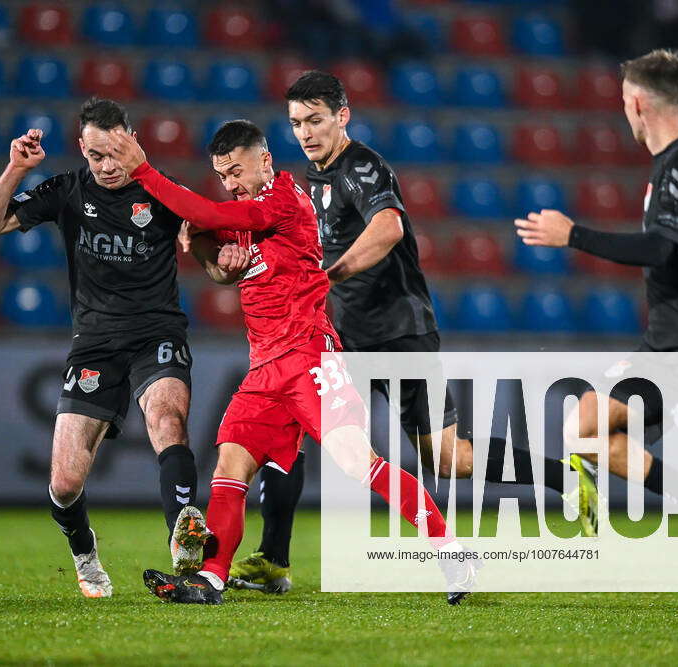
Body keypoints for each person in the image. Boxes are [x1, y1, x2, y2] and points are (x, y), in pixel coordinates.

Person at [227, 70, 576, 594]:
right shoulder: (308, 183)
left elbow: (388, 227)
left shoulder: (361, 166)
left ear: (343, 116)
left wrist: (329, 276)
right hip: (340, 339)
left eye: (315, 120)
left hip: (397, 333)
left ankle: (562, 476)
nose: (305, 132)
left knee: (446, 457)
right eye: (296, 123)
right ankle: (273, 560)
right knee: (287, 435)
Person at [109, 120, 480, 605]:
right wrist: (199, 240)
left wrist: (144, 171)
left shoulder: (284, 200)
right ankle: (211, 579)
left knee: (357, 461)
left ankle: (452, 552)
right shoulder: (245, 214)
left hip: (308, 356)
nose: (230, 183)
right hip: (264, 369)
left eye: (236, 171)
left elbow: (205, 212)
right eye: (222, 176)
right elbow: (218, 264)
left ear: (265, 160)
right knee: (230, 464)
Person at [0, 98, 202, 598]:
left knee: (168, 420)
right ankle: (84, 552)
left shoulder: (162, 190)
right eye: (96, 155)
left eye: (115, 153)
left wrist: (204, 243)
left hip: (157, 334)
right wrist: (16, 169)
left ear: (132, 141)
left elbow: (209, 233)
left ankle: (183, 541)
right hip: (95, 346)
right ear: (82, 148)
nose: (107, 166)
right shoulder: (68, 190)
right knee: (64, 484)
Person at [514, 49, 678, 555]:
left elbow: (663, 248)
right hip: (665, 346)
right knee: (584, 427)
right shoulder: (676, 165)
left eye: (624, 101)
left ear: (637, 104)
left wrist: (574, 235)